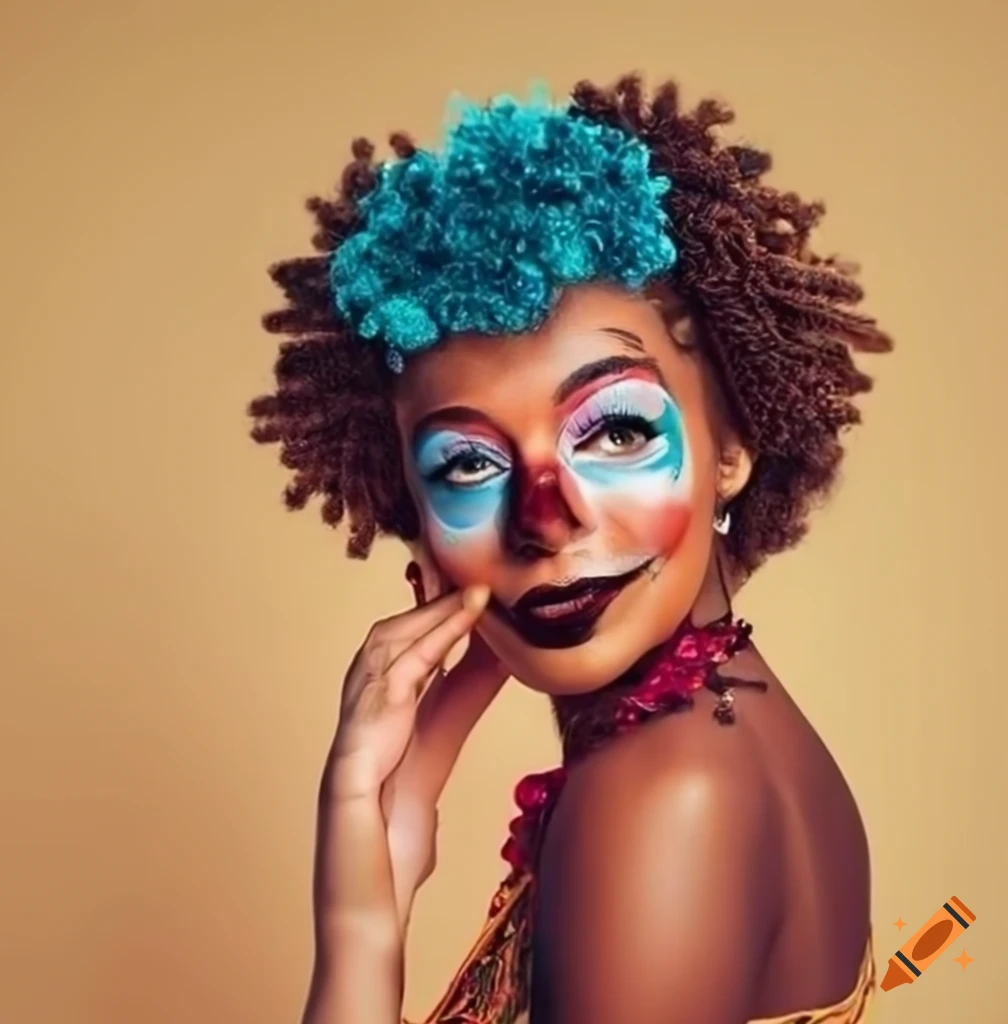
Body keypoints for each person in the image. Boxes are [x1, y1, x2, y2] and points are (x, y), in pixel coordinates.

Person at [248, 73, 892, 1024]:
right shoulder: (728, 738)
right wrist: (386, 853)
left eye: (617, 431)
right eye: (467, 464)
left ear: (732, 452)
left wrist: (358, 937)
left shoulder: (663, 798)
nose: (544, 516)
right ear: (415, 520)